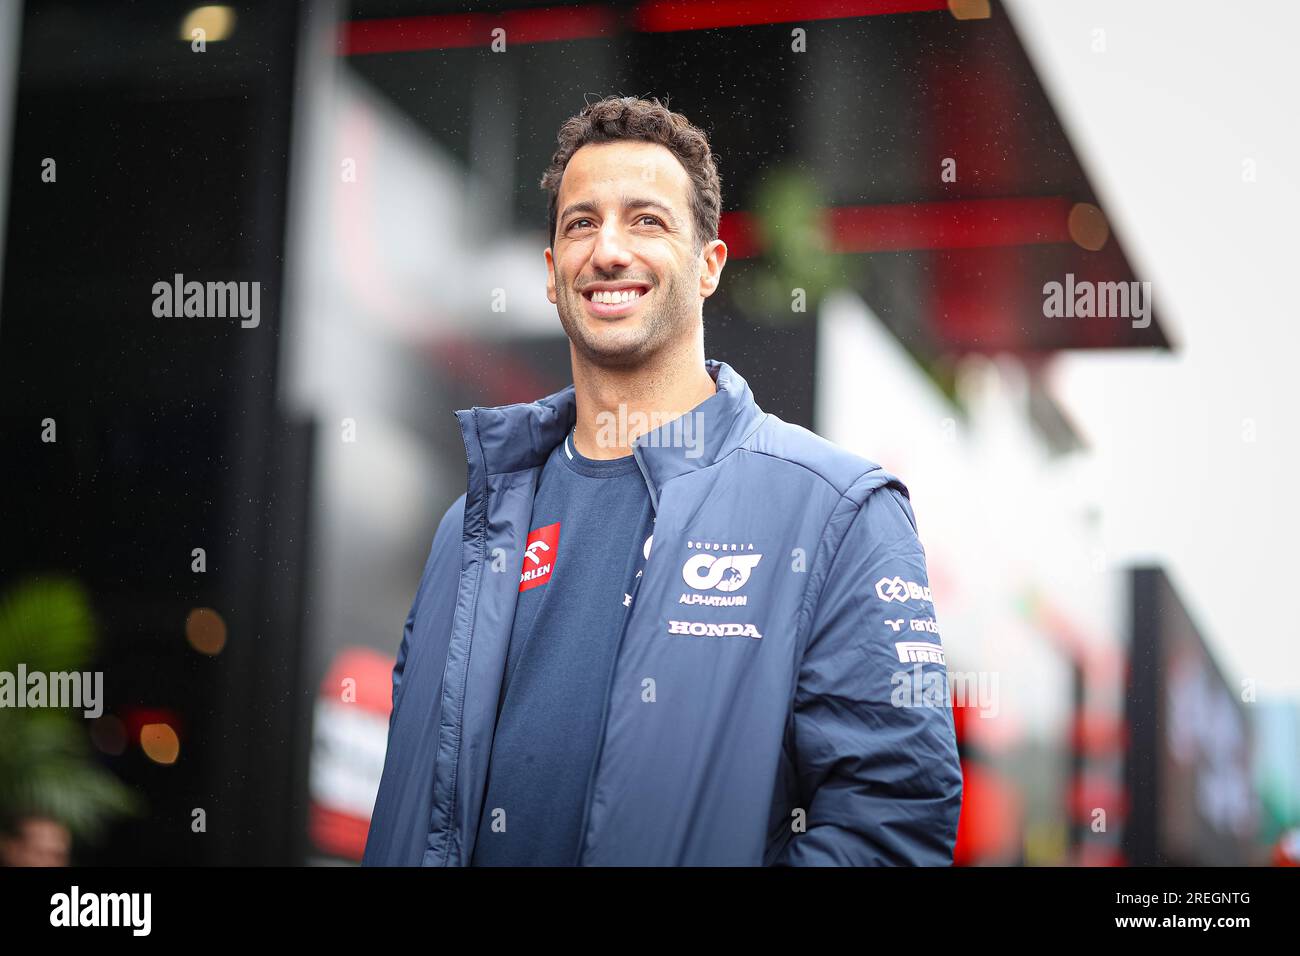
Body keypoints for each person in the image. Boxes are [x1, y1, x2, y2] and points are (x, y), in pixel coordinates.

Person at [363, 95, 962, 866]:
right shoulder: (469, 530)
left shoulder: (837, 513)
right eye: (582, 223)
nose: (609, 250)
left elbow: (892, 824)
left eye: (646, 220)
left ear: (709, 265)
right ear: (551, 274)